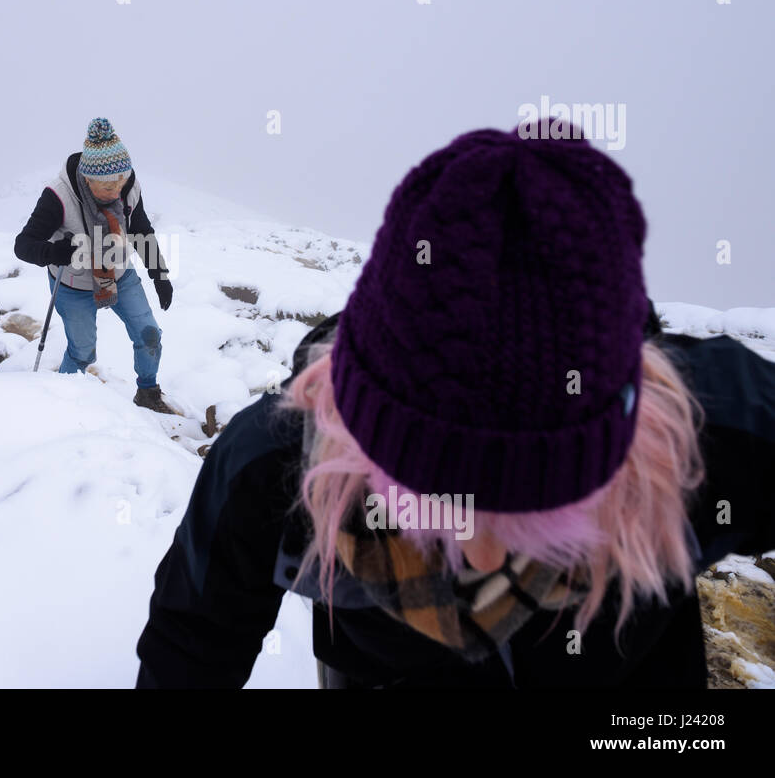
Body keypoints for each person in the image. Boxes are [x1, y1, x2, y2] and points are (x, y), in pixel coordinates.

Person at [135, 122, 775, 688]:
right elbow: (193, 644)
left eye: (545, 518)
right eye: (434, 509)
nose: (485, 563)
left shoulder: (711, 431)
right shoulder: (273, 467)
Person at [14, 117, 178, 414]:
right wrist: (54, 252)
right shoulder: (58, 197)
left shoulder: (128, 185)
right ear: (87, 179)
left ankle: (147, 393)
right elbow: (23, 245)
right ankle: (63, 407)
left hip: (119, 272)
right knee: (82, 352)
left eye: (121, 178)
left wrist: (160, 275)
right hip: (72, 283)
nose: (117, 188)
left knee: (149, 334)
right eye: (107, 184)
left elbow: (140, 230)